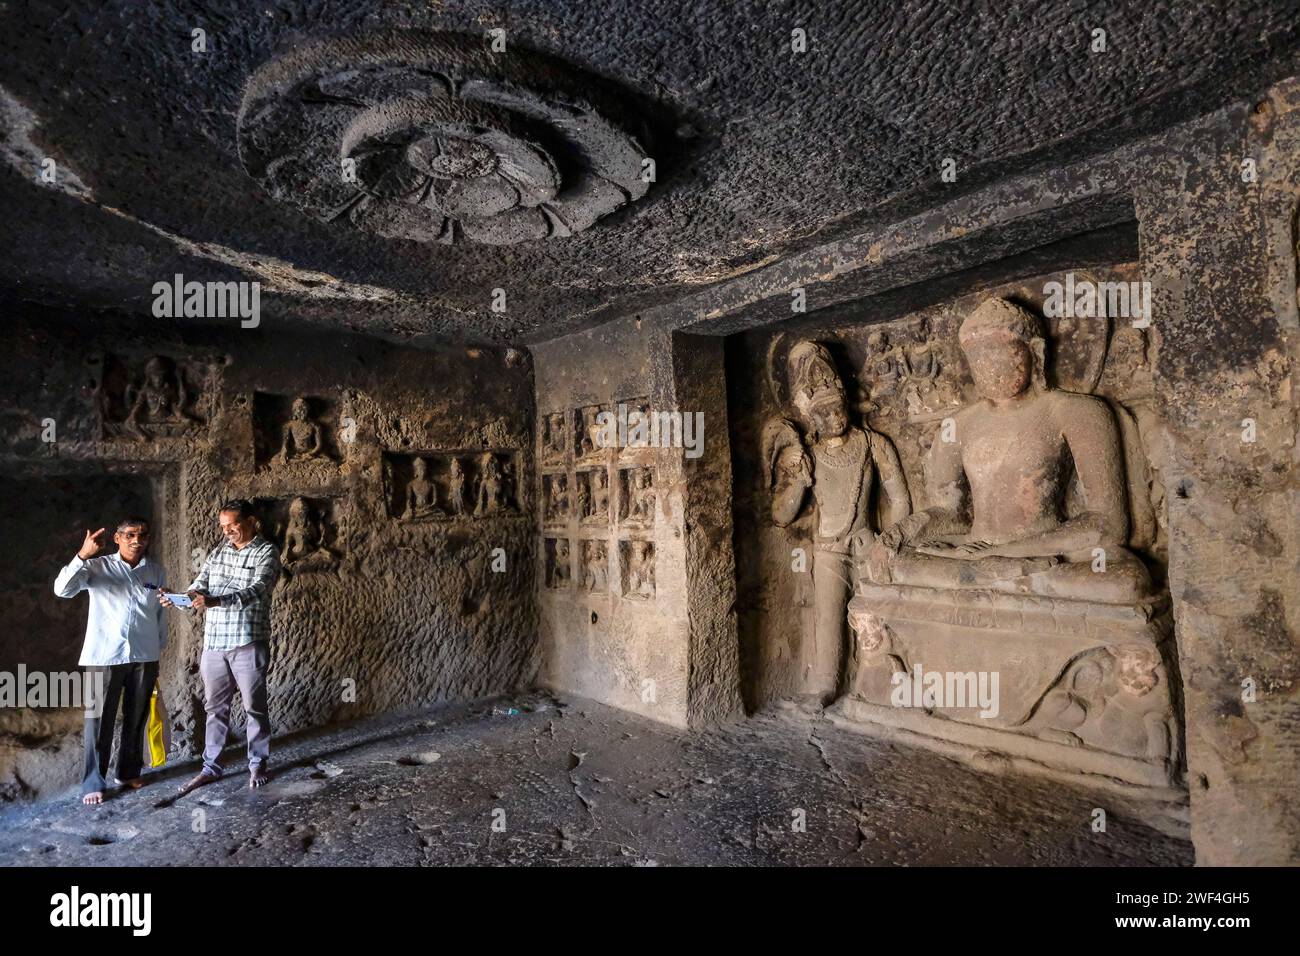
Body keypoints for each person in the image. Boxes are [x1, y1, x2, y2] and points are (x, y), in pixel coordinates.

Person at [161, 500, 280, 790]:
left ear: (251, 521)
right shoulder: (219, 552)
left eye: (233, 525)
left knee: (254, 707)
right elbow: (200, 585)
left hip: (247, 641)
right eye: (223, 526)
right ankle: (211, 767)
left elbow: (257, 591)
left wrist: (216, 601)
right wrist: (181, 597)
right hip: (214, 643)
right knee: (216, 707)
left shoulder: (267, 552)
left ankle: (257, 764)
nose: (227, 531)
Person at [53, 517, 166, 806]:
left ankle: (127, 772)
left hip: (144, 654)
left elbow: (159, 615)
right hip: (104, 655)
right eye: (129, 534)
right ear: (117, 538)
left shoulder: (155, 571)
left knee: (137, 715)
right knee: (97, 721)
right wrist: (82, 556)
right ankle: (93, 781)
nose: (136, 540)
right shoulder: (96, 567)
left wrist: (157, 649)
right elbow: (62, 590)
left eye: (142, 535)